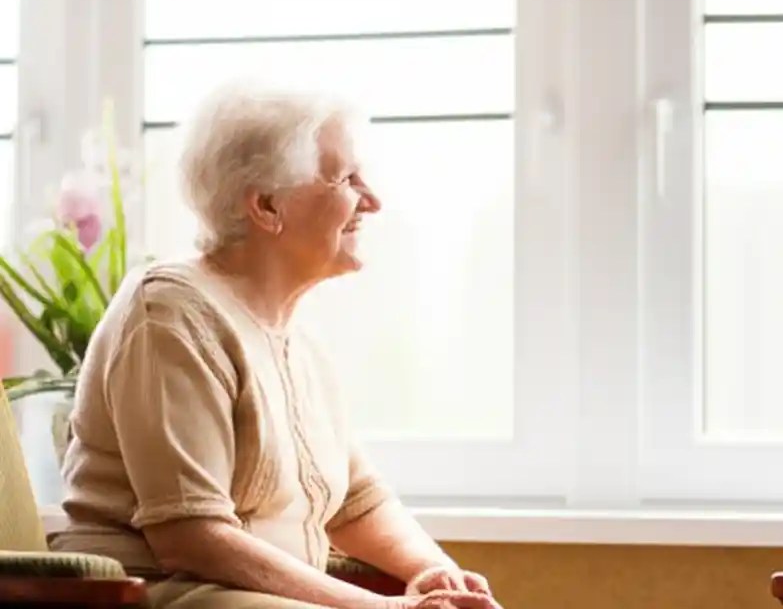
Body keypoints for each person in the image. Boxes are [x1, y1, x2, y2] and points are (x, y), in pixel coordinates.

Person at [52, 82, 502, 609]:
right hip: (163, 592)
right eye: (346, 179)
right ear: (267, 206)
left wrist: (436, 572)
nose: (372, 200)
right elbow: (190, 537)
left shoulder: (298, 336)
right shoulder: (169, 313)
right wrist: (384, 608)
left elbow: (355, 501)